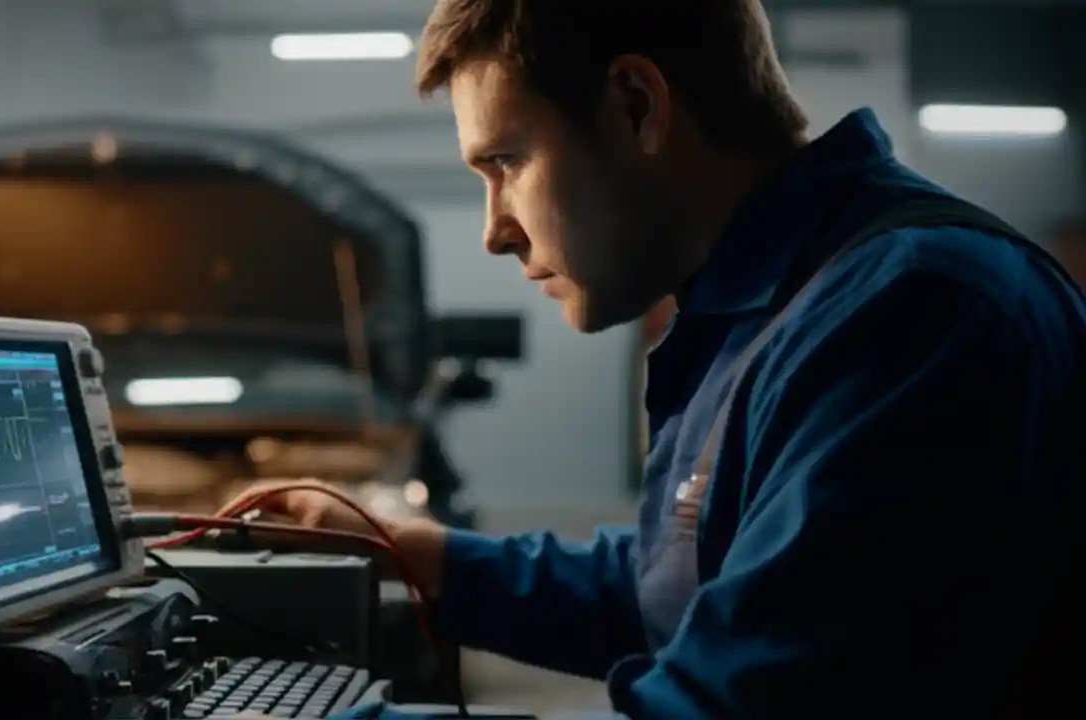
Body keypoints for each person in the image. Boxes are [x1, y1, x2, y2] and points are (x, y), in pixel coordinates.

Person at [235, 1, 1086, 716]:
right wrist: (416, 553)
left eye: (505, 161)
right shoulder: (778, 302)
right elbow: (682, 591)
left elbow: (730, 699)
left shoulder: (914, 316)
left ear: (638, 106)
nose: (494, 229)